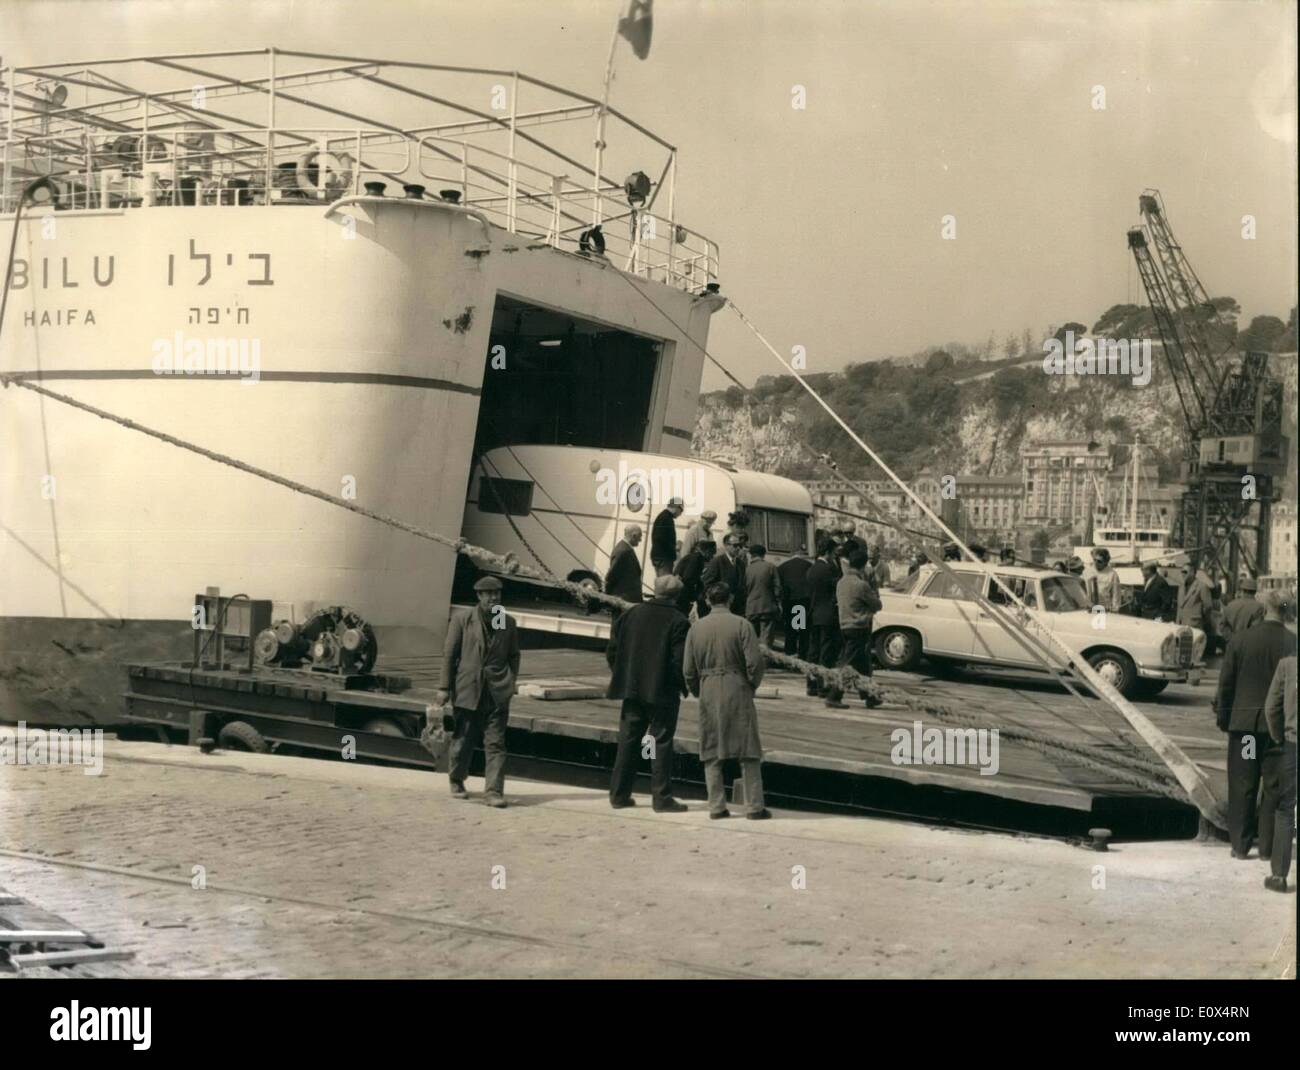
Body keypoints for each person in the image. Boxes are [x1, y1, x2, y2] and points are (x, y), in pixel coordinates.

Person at [1213, 589, 1296, 860]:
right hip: (1277, 732)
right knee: (1274, 787)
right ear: (1286, 612)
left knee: (1243, 782)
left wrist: (1224, 719)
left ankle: (1240, 845)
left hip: (1247, 729)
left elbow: (1226, 684)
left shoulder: (1241, 640)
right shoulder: (1293, 643)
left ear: (1263, 610)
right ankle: (1268, 849)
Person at [683, 583, 770, 820]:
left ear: (708, 601)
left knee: (711, 749)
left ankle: (716, 807)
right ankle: (754, 807)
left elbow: (688, 669)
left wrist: (698, 691)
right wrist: (750, 685)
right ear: (730, 599)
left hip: (708, 686)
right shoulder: (742, 624)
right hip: (737, 684)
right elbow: (755, 663)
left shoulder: (696, 629)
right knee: (748, 749)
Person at [606, 574, 691, 813]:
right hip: (661, 694)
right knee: (660, 742)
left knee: (628, 741)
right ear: (677, 596)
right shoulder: (678, 620)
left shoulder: (630, 614)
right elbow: (679, 662)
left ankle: (619, 794)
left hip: (631, 690)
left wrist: (623, 676)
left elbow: (612, 651)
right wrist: (678, 686)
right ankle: (661, 798)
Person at [437, 576, 521, 807]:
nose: (494, 598)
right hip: (468, 689)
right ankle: (456, 780)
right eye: (489, 594)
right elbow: (449, 655)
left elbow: (513, 655)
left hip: (496, 692)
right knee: (463, 739)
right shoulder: (462, 620)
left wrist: (510, 680)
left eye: (497, 594)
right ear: (479, 596)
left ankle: (493, 791)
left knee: (495, 743)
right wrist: (444, 687)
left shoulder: (505, 622)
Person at [823, 549, 883, 709]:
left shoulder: (841, 582)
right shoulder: (861, 585)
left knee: (863, 664)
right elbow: (877, 605)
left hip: (844, 626)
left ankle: (870, 696)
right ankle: (834, 696)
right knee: (848, 664)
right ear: (863, 566)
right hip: (859, 627)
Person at [1262, 654, 1297, 892]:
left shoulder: (1288, 664)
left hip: (1287, 743)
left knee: (1285, 808)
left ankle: (1279, 875)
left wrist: (1277, 736)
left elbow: (1271, 707)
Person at [805, 537, 840, 697]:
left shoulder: (811, 569)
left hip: (812, 614)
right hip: (828, 615)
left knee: (813, 651)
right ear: (828, 552)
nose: (835, 555)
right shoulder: (830, 570)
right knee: (826, 653)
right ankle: (822, 686)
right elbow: (836, 591)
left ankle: (811, 684)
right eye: (833, 552)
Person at [777, 542, 813, 660]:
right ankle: (802, 654)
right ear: (801, 553)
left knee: (790, 630)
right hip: (803, 601)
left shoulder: (782, 567)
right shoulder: (808, 565)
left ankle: (790, 653)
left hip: (789, 602)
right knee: (802, 629)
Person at [742, 544, 782, 649]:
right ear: (763, 554)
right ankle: (765, 660)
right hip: (768, 607)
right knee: (766, 638)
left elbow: (743, 589)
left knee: (751, 638)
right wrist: (778, 603)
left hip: (751, 608)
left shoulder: (746, 569)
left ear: (751, 555)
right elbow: (777, 588)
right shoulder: (770, 567)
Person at [701, 532, 745, 616]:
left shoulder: (741, 564)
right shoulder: (717, 562)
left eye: (740, 545)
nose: (738, 548)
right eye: (735, 545)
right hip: (721, 607)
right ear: (726, 545)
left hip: (737, 608)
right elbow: (707, 584)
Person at [1178, 555, 1216, 647]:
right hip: (1182, 626)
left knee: (1193, 651)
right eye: (1182, 572)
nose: (1183, 574)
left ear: (1193, 573)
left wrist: (1200, 618)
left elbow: (1208, 606)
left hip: (1195, 625)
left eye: (1185, 572)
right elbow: (1179, 607)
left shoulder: (1202, 586)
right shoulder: (1181, 587)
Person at [604, 524, 645, 606]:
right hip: (624, 599)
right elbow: (611, 575)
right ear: (634, 535)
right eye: (640, 537)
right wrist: (608, 595)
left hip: (624, 598)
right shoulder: (624, 551)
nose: (640, 540)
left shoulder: (624, 548)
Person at [673, 538, 715, 618]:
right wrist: (695, 595)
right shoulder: (696, 558)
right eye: (712, 553)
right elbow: (688, 579)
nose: (712, 557)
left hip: (681, 593)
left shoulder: (695, 557)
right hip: (681, 595)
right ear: (706, 551)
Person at [1220, 576, 1265, 647]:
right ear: (1255, 592)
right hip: (1249, 646)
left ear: (1242, 590)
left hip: (1231, 644)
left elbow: (1222, 625)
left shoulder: (1230, 605)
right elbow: (1256, 629)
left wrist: (1230, 638)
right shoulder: (1259, 607)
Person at [650, 496, 684, 576]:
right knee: (665, 583)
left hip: (659, 556)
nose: (681, 513)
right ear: (677, 507)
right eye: (681, 510)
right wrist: (673, 549)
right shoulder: (666, 518)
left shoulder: (663, 516)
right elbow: (660, 538)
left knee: (662, 582)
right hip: (664, 558)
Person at [1083, 547, 1123, 612]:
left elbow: (1116, 594)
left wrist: (1115, 609)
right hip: (1088, 608)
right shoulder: (1087, 572)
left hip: (1104, 609)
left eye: (1099, 561)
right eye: (1094, 560)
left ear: (1105, 562)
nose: (1096, 563)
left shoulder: (1112, 574)